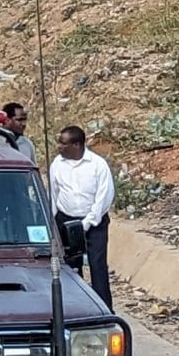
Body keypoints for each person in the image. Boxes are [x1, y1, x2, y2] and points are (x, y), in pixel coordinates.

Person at [51, 125, 115, 310]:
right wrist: (53, 223)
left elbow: (103, 197)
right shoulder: (57, 164)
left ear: (77, 145)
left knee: (97, 265)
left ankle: (103, 309)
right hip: (66, 220)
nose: (59, 147)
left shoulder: (97, 165)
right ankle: (73, 308)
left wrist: (86, 223)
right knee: (70, 267)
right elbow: (54, 195)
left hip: (94, 223)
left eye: (63, 144)